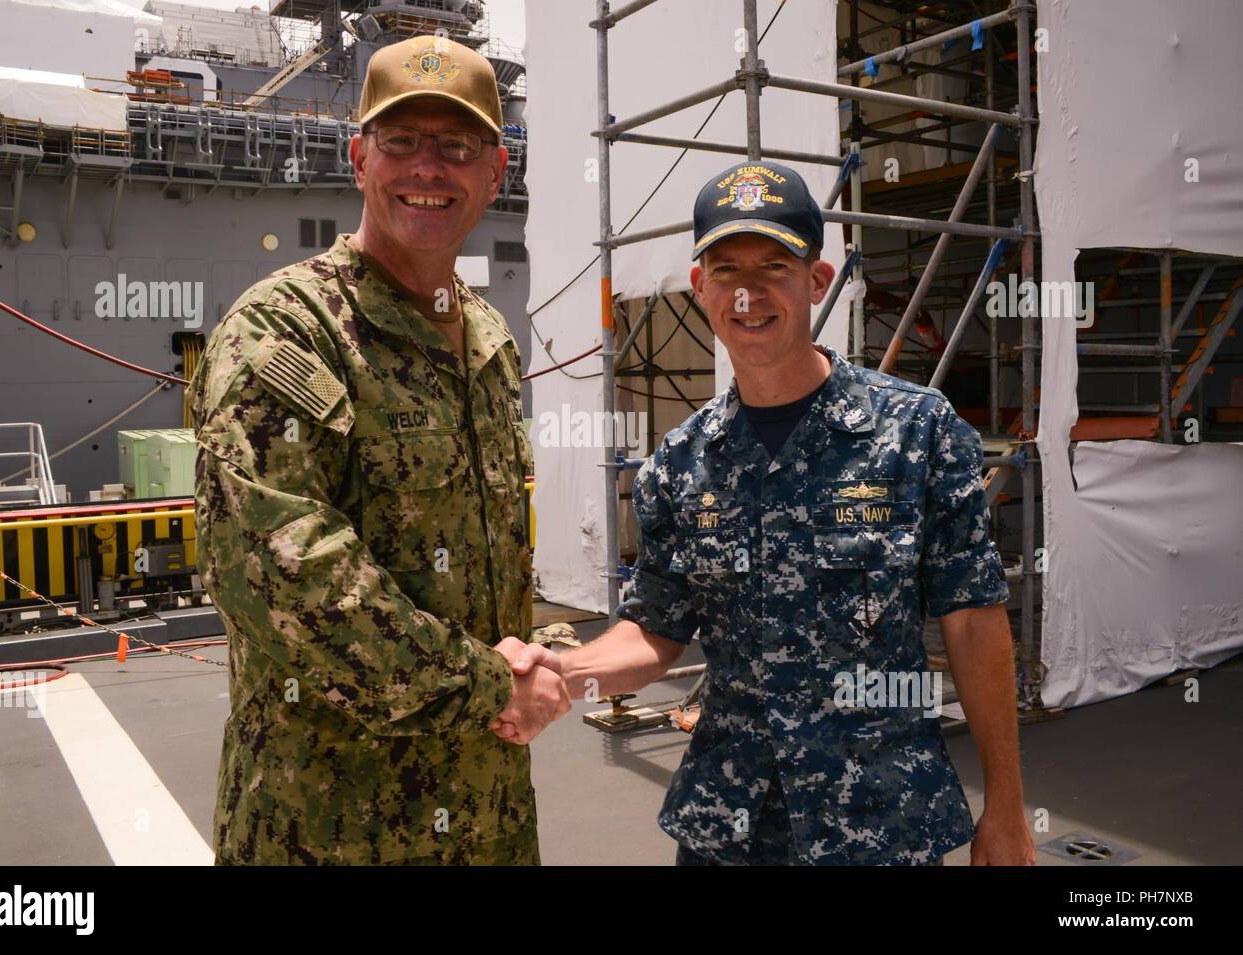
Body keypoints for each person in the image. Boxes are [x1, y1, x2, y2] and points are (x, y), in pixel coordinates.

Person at [500, 160, 1035, 866]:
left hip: (881, 826)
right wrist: (559, 671)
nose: (748, 292)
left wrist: (1005, 803)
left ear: (817, 280)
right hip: (731, 829)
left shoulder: (917, 432)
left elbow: (973, 621)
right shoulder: (680, 464)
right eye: (725, 270)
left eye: (774, 265)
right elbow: (656, 630)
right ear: (700, 288)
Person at [191, 35, 568, 866]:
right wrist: (492, 685)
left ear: (496, 171)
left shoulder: (489, 339)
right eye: (401, 142)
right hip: (327, 830)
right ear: (359, 157)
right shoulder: (286, 329)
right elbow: (281, 571)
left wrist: (547, 661)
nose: (428, 169)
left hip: (489, 821)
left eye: (456, 147)